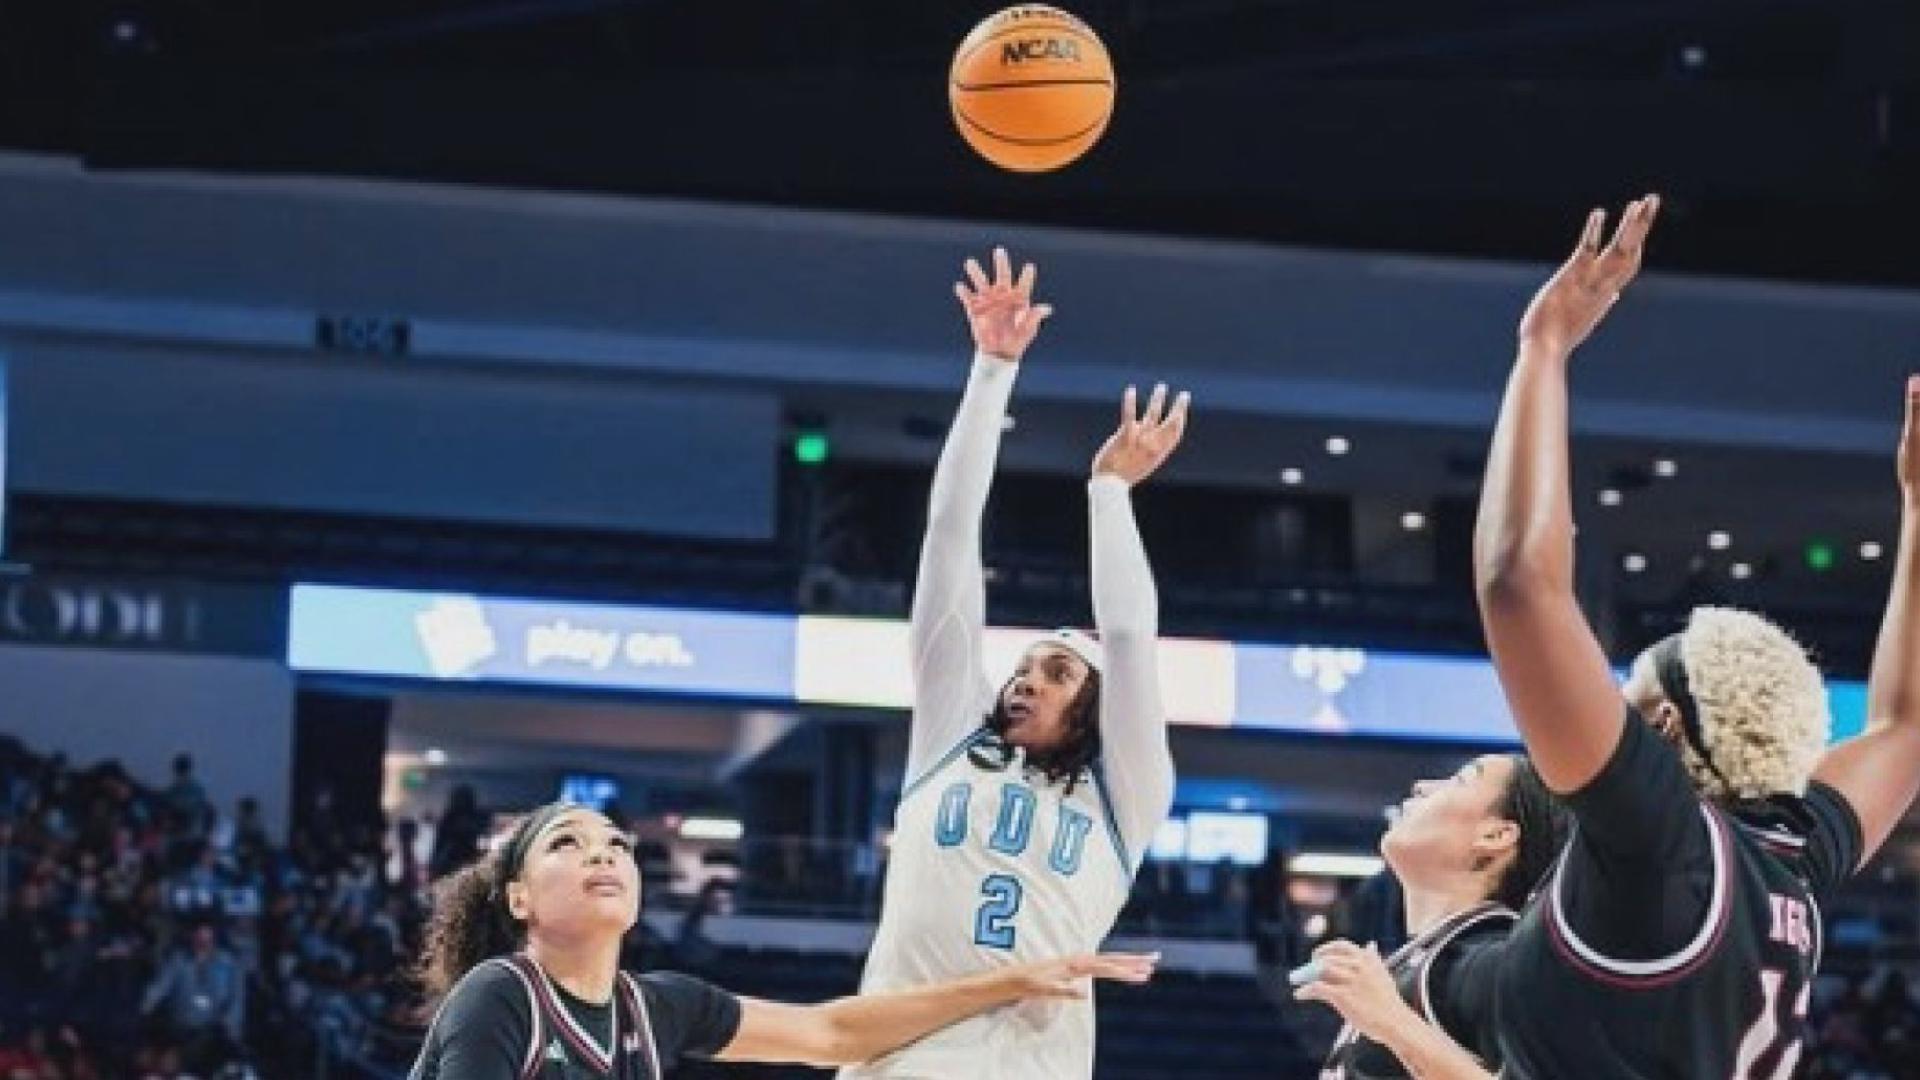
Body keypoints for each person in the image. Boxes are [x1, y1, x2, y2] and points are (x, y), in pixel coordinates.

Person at [1457, 194, 1920, 1076]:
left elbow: (1519, 584)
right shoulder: (1789, 856)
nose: (1599, 701)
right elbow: (1906, 725)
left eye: (1626, 691)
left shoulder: (1656, 840)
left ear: (1663, 725)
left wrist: (1543, 350)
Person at [843, 247, 1187, 1079]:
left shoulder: (1126, 797)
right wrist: (991, 370)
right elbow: (949, 538)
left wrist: (1110, 493)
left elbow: (1129, 636)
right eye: (1024, 665)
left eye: (1058, 672)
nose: (1028, 678)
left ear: (1097, 708)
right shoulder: (949, 743)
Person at [410, 803, 1153, 1079]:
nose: (602, 855)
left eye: (616, 844)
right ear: (520, 898)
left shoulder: (656, 1008)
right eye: (567, 844)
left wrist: (1014, 980)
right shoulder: (501, 995)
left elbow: (831, 1034)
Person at [1294, 754, 1569, 1078]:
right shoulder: (1432, 958)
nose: (1421, 786)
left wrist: (1393, 1022)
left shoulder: (1492, 963)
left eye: (1461, 780)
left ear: (1495, 836)